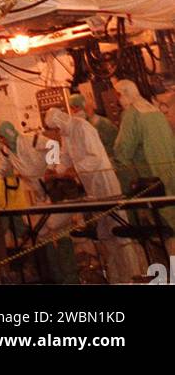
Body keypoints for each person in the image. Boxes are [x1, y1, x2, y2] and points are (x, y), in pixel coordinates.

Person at [45, 106, 142, 283]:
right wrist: (55, 170)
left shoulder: (82, 127)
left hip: (105, 183)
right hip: (92, 188)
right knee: (105, 233)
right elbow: (66, 157)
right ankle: (117, 278)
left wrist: (75, 169)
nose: (57, 132)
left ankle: (133, 275)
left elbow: (95, 157)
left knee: (119, 231)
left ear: (60, 120)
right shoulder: (66, 134)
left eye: (56, 128)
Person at [0, 118, 78, 284]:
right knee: (40, 234)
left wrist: (52, 169)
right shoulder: (6, 152)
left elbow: (53, 145)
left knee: (62, 232)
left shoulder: (31, 139)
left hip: (55, 191)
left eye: (2, 137)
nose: (2, 141)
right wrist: (0, 193)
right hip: (38, 196)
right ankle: (55, 277)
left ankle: (71, 278)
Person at [114, 79, 175, 240]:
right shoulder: (154, 110)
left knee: (162, 231)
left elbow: (123, 151)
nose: (117, 100)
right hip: (169, 171)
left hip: (150, 178)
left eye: (118, 95)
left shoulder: (132, 114)